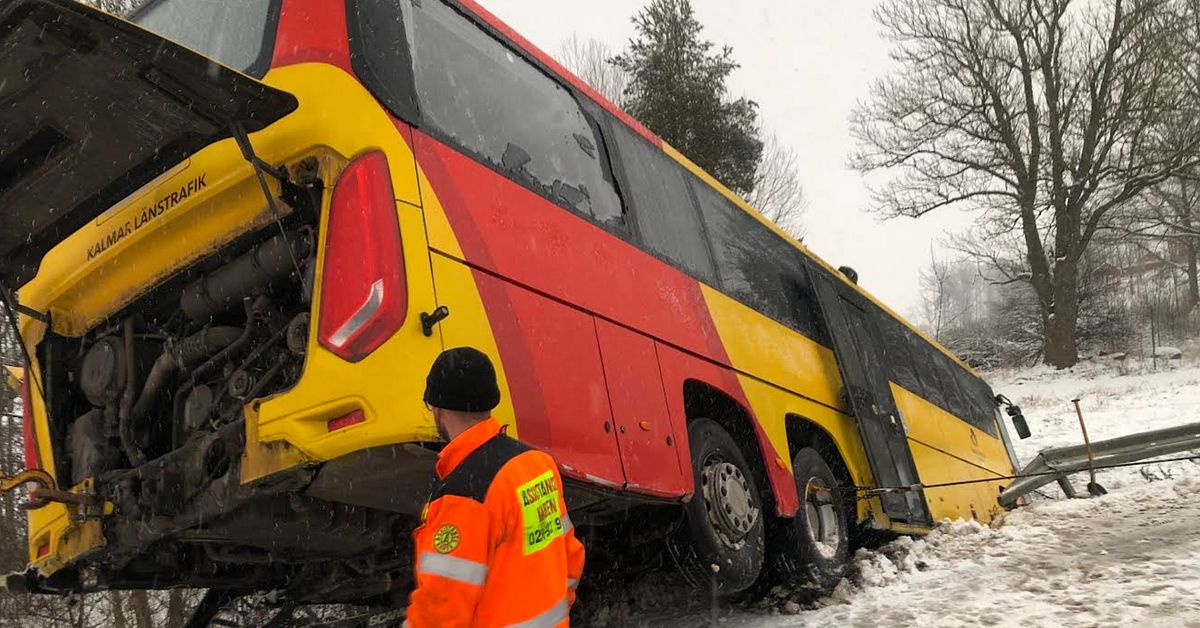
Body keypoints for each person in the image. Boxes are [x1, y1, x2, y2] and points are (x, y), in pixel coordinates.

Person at [406, 347, 586, 628]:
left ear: (438, 409)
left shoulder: (463, 494)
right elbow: (569, 555)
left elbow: (441, 609)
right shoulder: (536, 463)